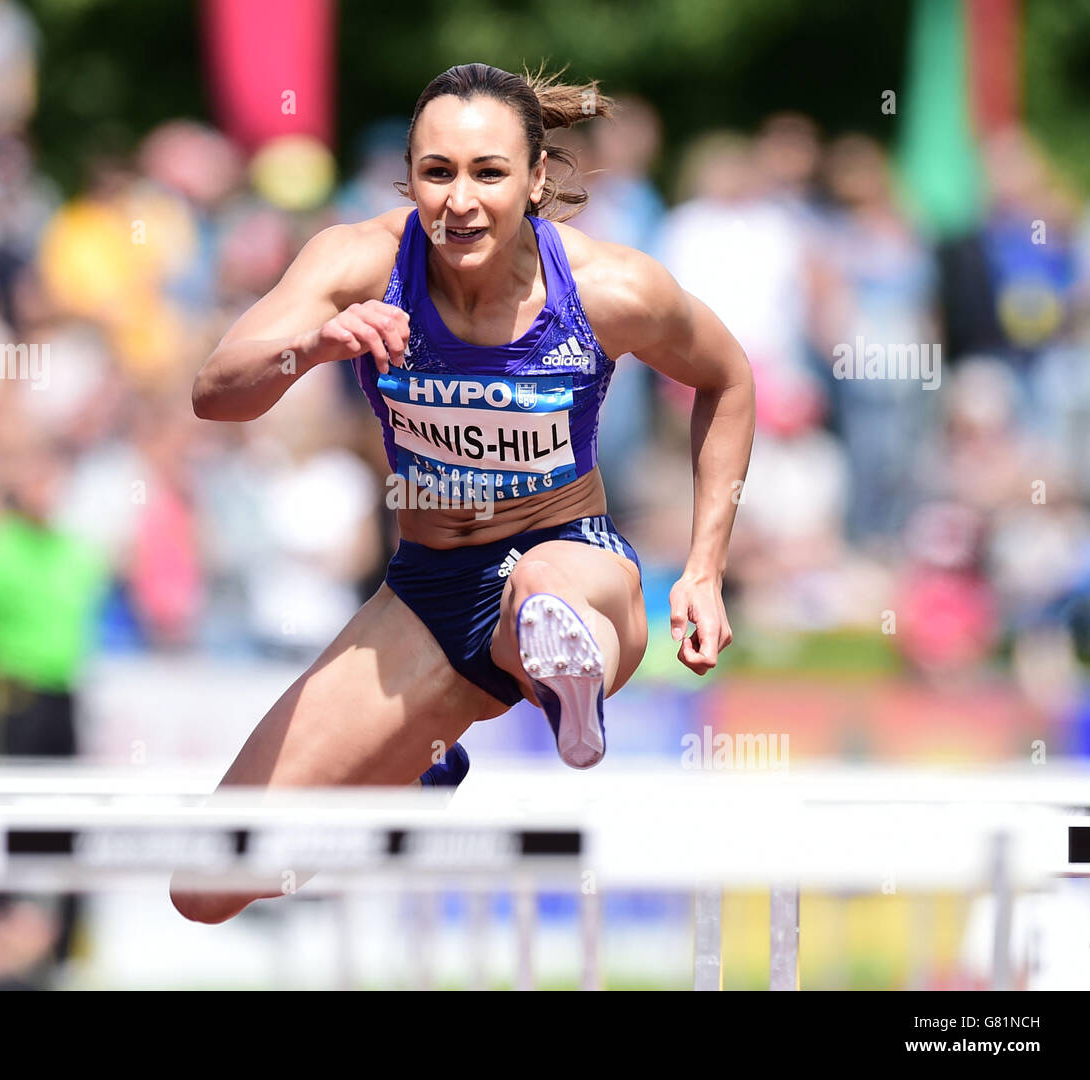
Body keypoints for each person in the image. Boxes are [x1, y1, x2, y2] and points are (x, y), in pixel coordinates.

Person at [172, 62, 755, 924]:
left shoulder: (608, 288)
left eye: (489, 173)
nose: (461, 201)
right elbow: (214, 392)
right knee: (208, 883)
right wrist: (317, 345)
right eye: (438, 173)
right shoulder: (359, 261)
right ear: (407, 177)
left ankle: (562, 672)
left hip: (576, 565)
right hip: (428, 596)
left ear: (537, 180)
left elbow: (730, 379)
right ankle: (407, 787)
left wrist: (703, 569)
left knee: (543, 599)